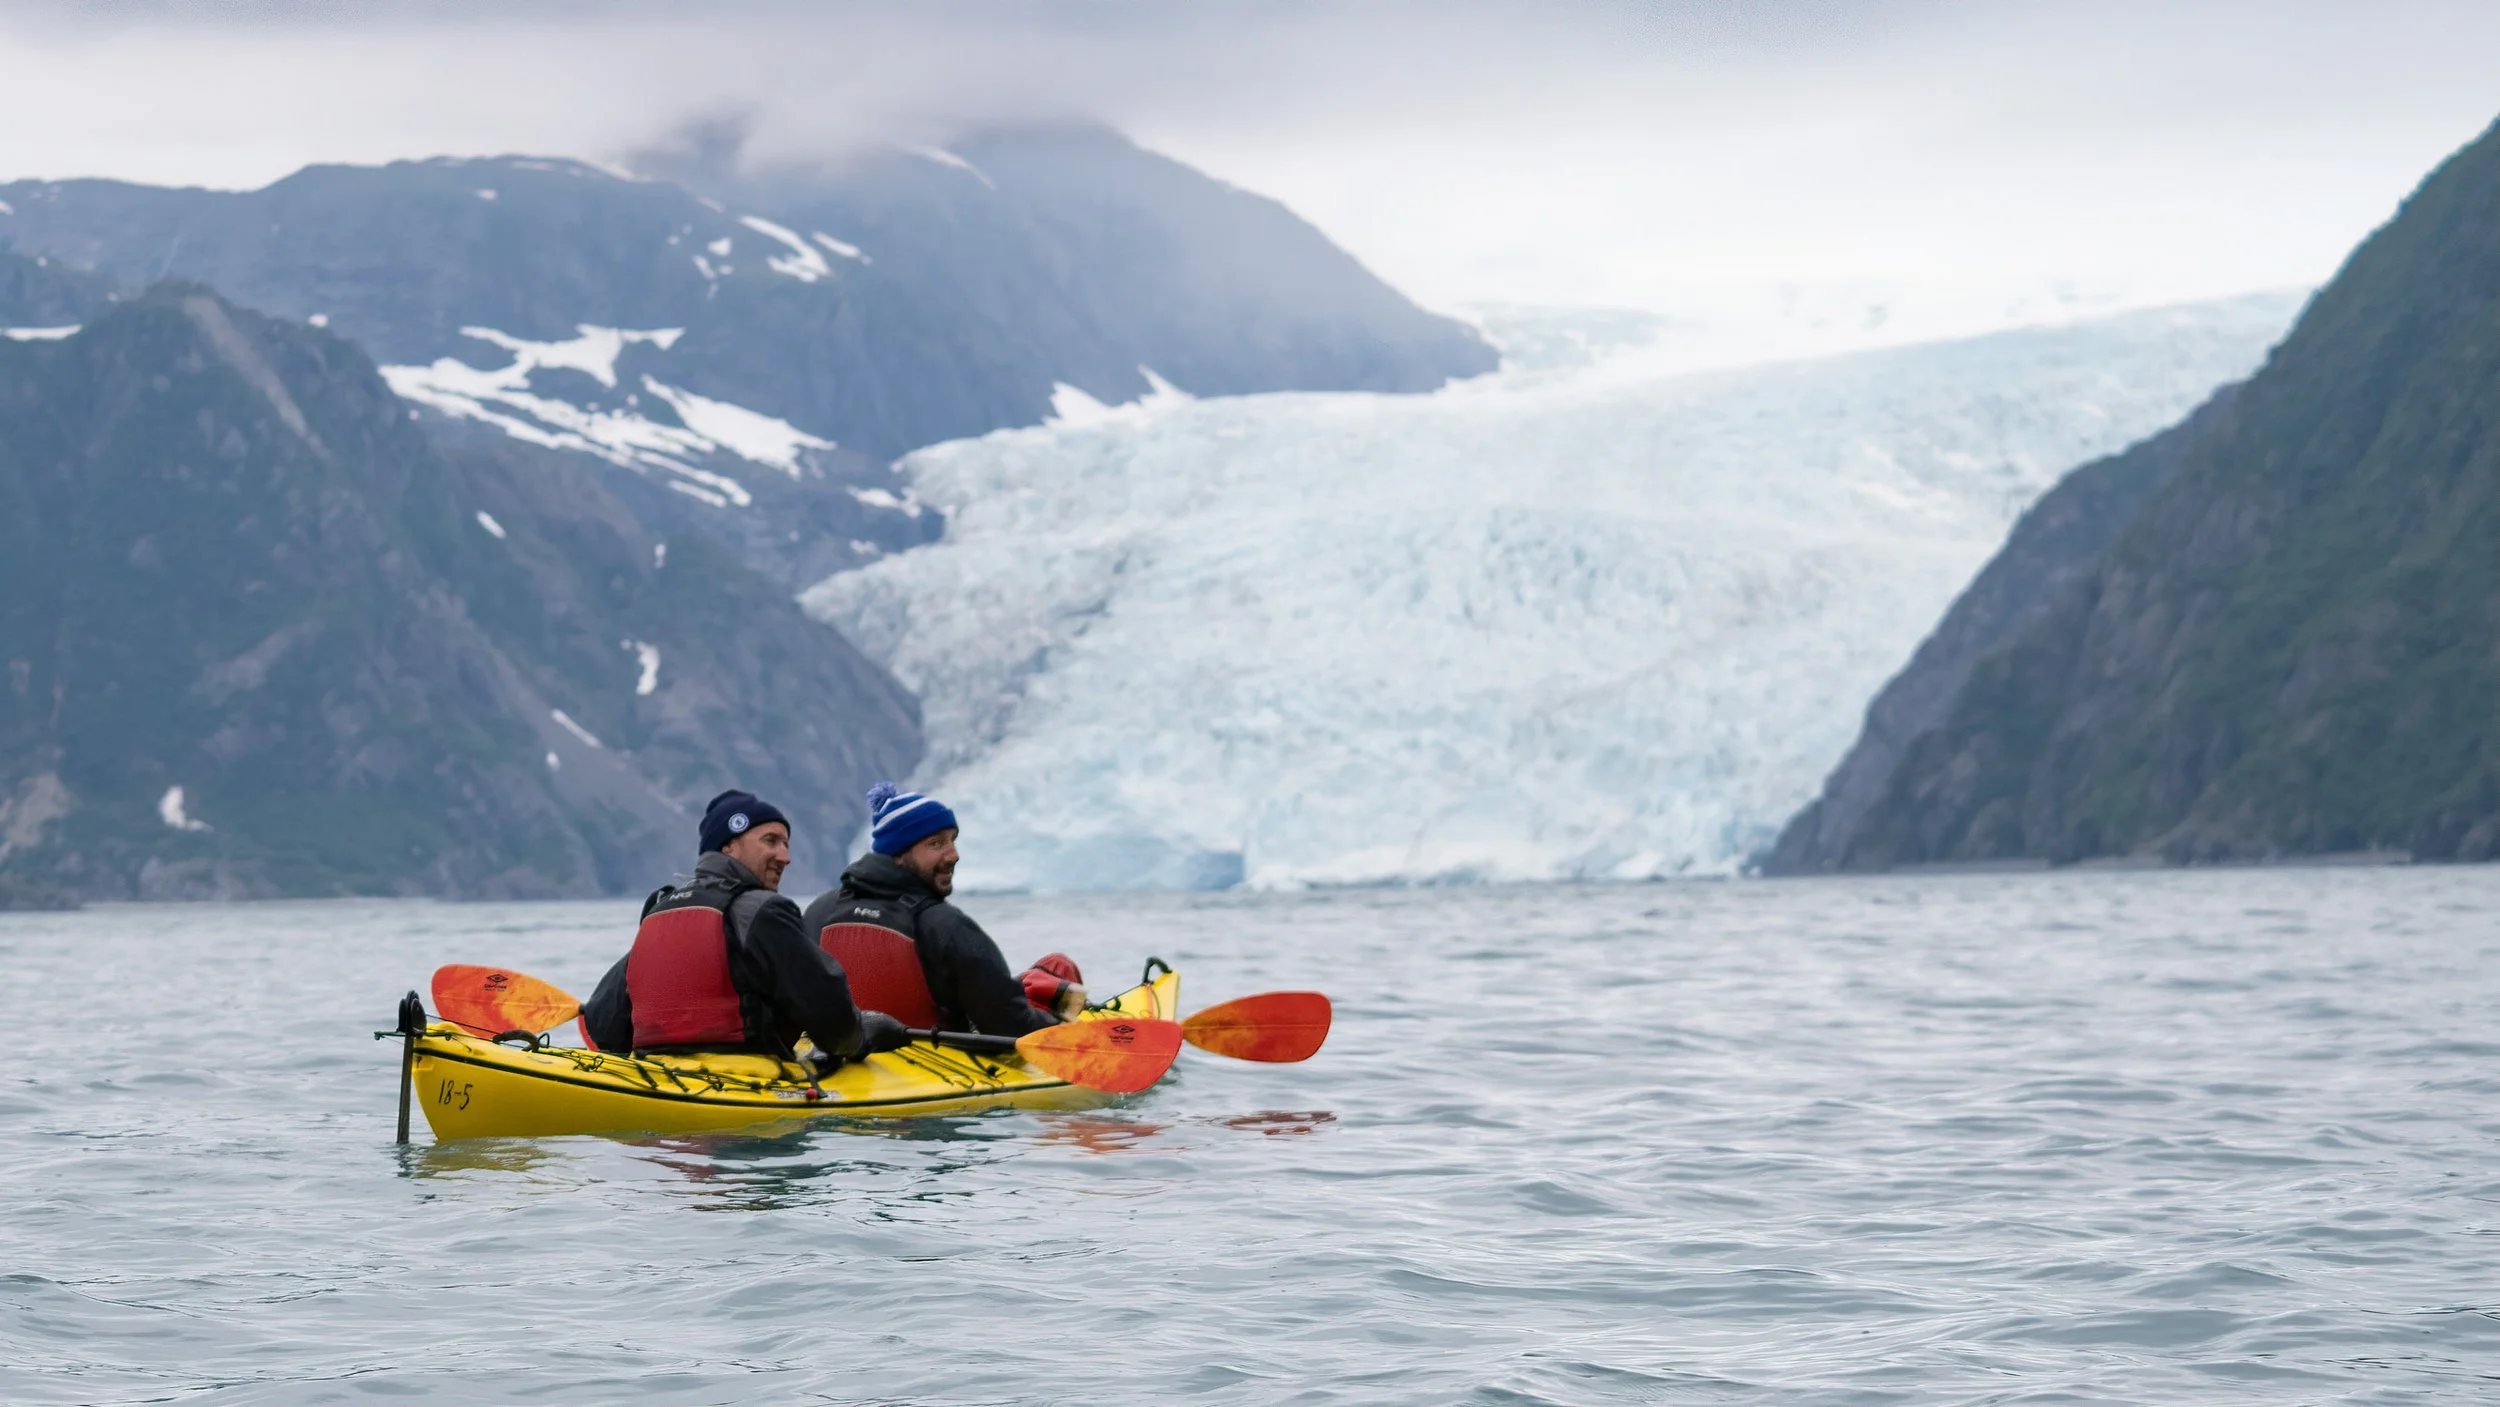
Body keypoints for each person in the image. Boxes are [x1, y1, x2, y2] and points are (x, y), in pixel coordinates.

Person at [582, 788, 908, 1065]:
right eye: (771, 841)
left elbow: (603, 1026)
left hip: (659, 1075)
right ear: (728, 846)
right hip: (749, 1079)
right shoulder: (761, 911)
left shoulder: (660, 910)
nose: (785, 857)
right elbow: (829, 1013)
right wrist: (862, 1036)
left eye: (786, 844)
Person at [800, 784, 1087, 1037]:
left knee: (1052, 966)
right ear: (898, 854)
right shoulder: (943, 924)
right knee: (1059, 969)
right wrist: (1059, 1027)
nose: (953, 855)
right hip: (941, 1060)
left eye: (953, 840)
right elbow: (1008, 1025)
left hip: (846, 1057)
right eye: (936, 843)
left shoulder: (820, 911)